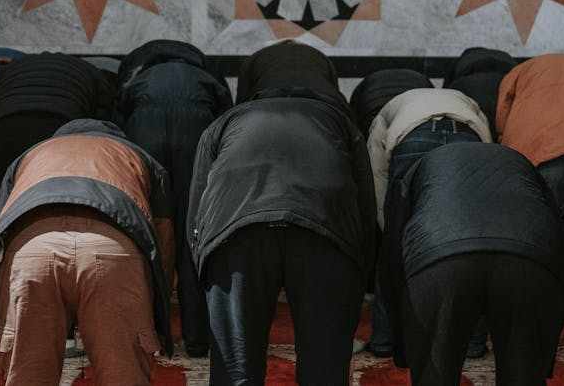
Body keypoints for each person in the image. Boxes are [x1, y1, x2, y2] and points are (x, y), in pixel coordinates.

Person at [189, 77, 375, 385]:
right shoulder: (339, 122)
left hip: (236, 232)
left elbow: (197, 205)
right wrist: (357, 275)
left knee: (236, 367)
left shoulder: (226, 122)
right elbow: (365, 206)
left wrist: (204, 269)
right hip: (325, 231)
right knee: (324, 368)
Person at [0, 119, 174, 385]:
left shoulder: (28, 157)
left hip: (32, 247)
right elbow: (163, 239)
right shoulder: (139, 157)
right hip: (113, 247)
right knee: (123, 377)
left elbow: (0, 230)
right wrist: (158, 304)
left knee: (28, 376)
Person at [380, 142, 564, 386]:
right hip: (528, 256)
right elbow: (559, 245)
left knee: (434, 378)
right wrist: (544, 351)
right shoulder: (522, 165)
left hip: (440, 258)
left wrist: (403, 342)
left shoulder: (417, 170)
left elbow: (393, 257)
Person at [118, 39, 232, 357]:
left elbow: (118, 121)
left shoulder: (138, 79)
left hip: (145, 137)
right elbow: (227, 122)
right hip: (197, 136)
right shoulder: (208, 78)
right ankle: (197, 340)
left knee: (147, 230)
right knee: (193, 230)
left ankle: (151, 332)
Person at [364, 87, 491, 357]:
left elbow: (376, 172)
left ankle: (384, 341)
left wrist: (390, 229)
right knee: (472, 244)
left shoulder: (389, 108)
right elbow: (487, 142)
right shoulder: (466, 99)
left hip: (412, 139)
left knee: (393, 252)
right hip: (468, 140)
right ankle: (473, 343)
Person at [495, 53, 564, 360]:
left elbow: (502, 117)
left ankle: (532, 336)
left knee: (535, 248)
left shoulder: (518, 72)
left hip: (538, 156)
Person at [0, 52, 114, 214]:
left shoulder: (11, 68)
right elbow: (102, 124)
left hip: (4, 126)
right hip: (61, 127)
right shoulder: (92, 72)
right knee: (57, 200)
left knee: (0, 202)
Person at [234, 39, 338, 103]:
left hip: (264, 107)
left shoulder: (255, 58)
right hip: (322, 109)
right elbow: (336, 97)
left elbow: (240, 104)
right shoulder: (321, 58)